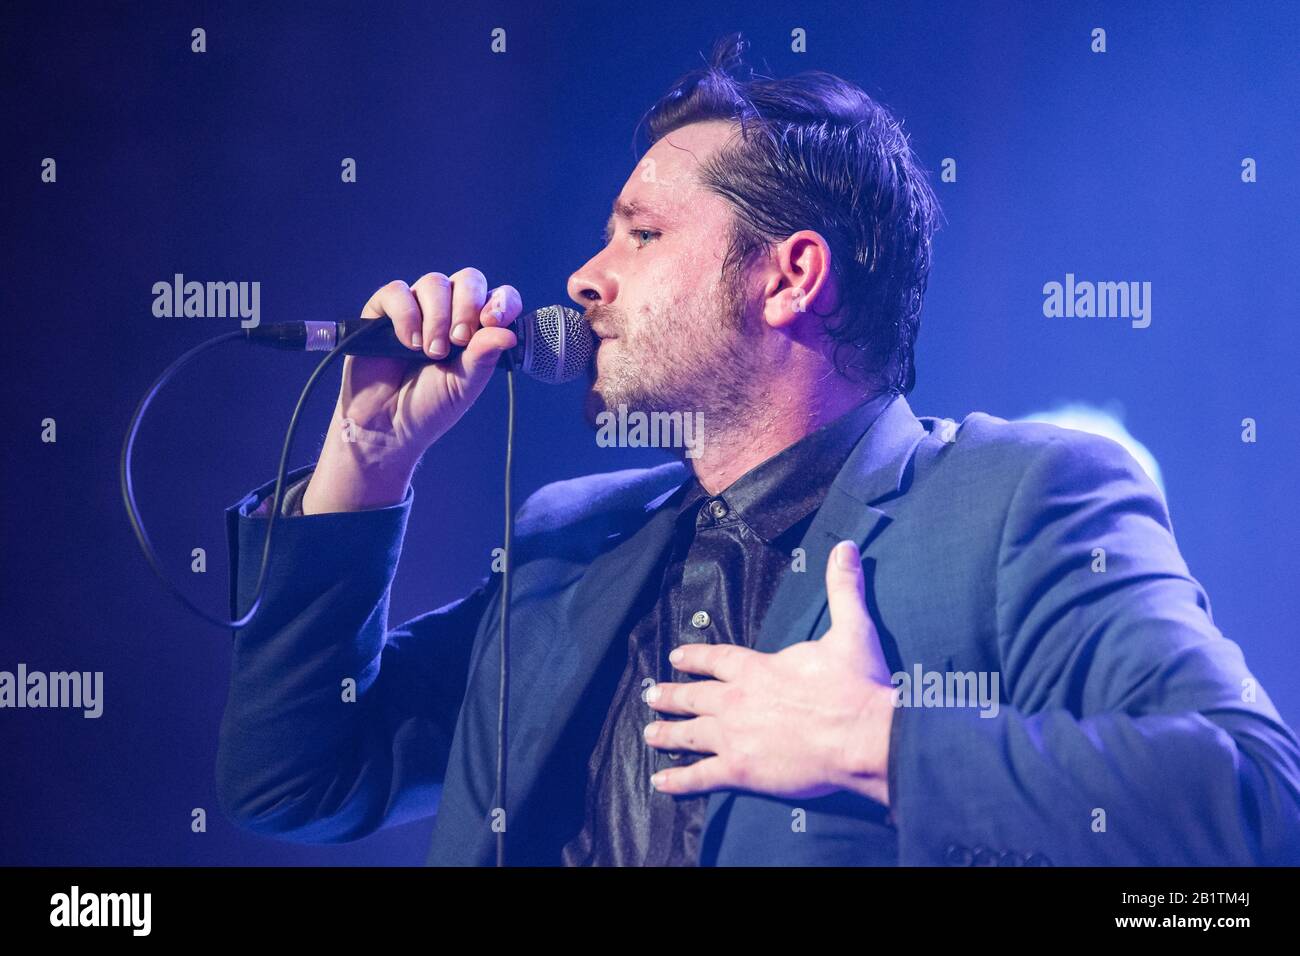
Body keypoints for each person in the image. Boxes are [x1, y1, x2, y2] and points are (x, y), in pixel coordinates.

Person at [215, 34, 1300, 866]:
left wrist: (877, 743)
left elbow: (1254, 802)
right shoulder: (567, 540)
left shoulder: (1014, 499)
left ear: (788, 275)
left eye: (640, 234)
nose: (585, 278)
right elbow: (295, 779)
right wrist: (366, 456)